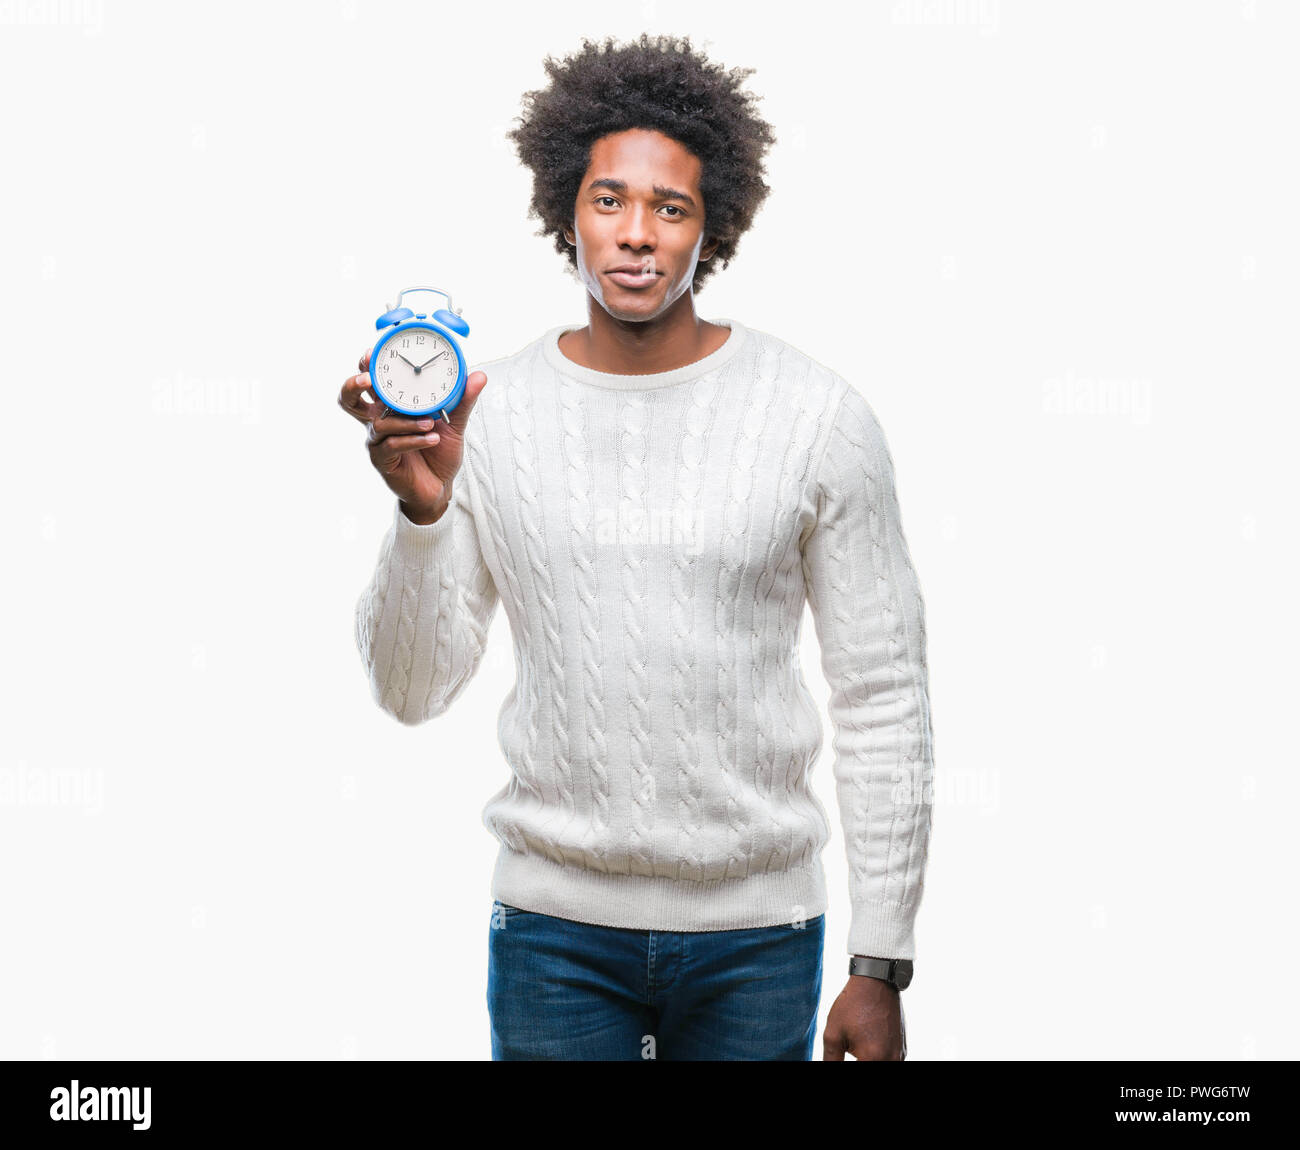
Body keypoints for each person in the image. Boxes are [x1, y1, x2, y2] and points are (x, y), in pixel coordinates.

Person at [338, 32, 935, 1062]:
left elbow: (882, 691)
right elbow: (410, 689)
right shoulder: (496, 415)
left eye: (671, 207)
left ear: (715, 227)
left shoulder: (816, 416)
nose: (636, 235)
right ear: (567, 208)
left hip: (760, 937)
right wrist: (421, 515)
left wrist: (878, 961)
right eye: (609, 199)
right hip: (553, 939)